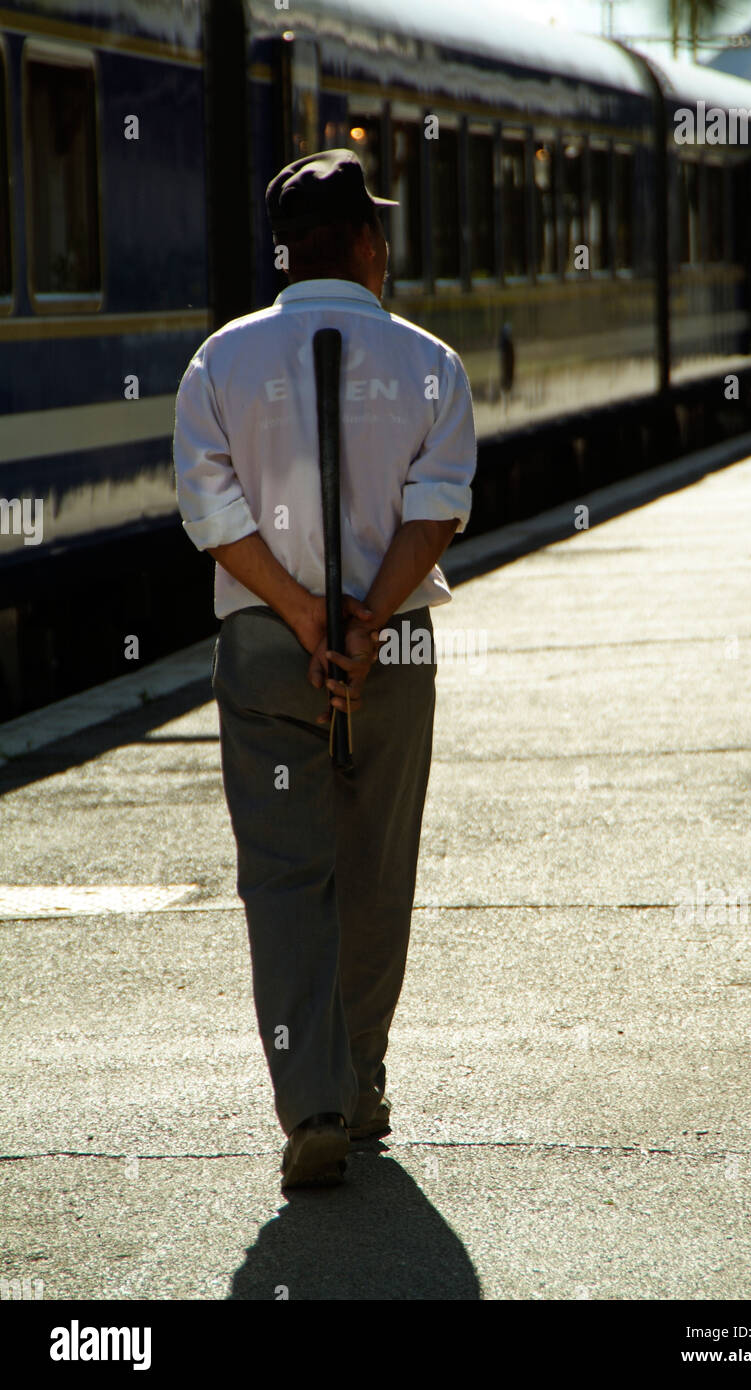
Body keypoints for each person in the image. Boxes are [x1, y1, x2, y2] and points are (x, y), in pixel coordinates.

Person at [172, 149, 477, 1192]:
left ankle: (312, 1103)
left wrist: (302, 616)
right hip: (388, 646)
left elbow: (211, 513)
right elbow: (435, 507)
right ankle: (366, 1079)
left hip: (265, 645)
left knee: (284, 876)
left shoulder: (217, 361)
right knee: (374, 866)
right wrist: (356, 627)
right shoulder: (431, 362)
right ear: (364, 244)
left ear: (285, 252)